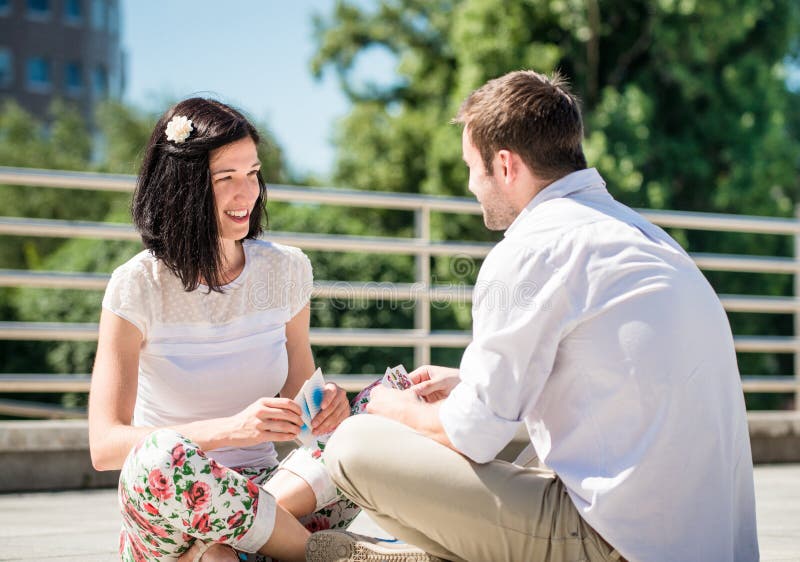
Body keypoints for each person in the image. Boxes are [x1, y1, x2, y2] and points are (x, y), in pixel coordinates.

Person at [305, 70, 759, 562]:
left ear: (504, 165)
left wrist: (382, 405)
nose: (470, 186)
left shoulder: (531, 248)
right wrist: (468, 382)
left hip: (622, 546)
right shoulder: (646, 238)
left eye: (471, 168)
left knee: (354, 446)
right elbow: (611, 375)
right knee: (524, 450)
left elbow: (473, 436)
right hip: (708, 543)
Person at [89, 98, 361, 562]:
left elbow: (301, 396)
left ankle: (218, 550)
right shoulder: (136, 286)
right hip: (171, 509)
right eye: (226, 179)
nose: (248, 193)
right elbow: (106, 445)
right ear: (184, 189)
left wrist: (328, 405)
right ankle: (324, 555)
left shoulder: (286, 270)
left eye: (253, 173)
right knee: (158, 455)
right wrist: (231, 430)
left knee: (371, 426)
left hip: (270, 490)